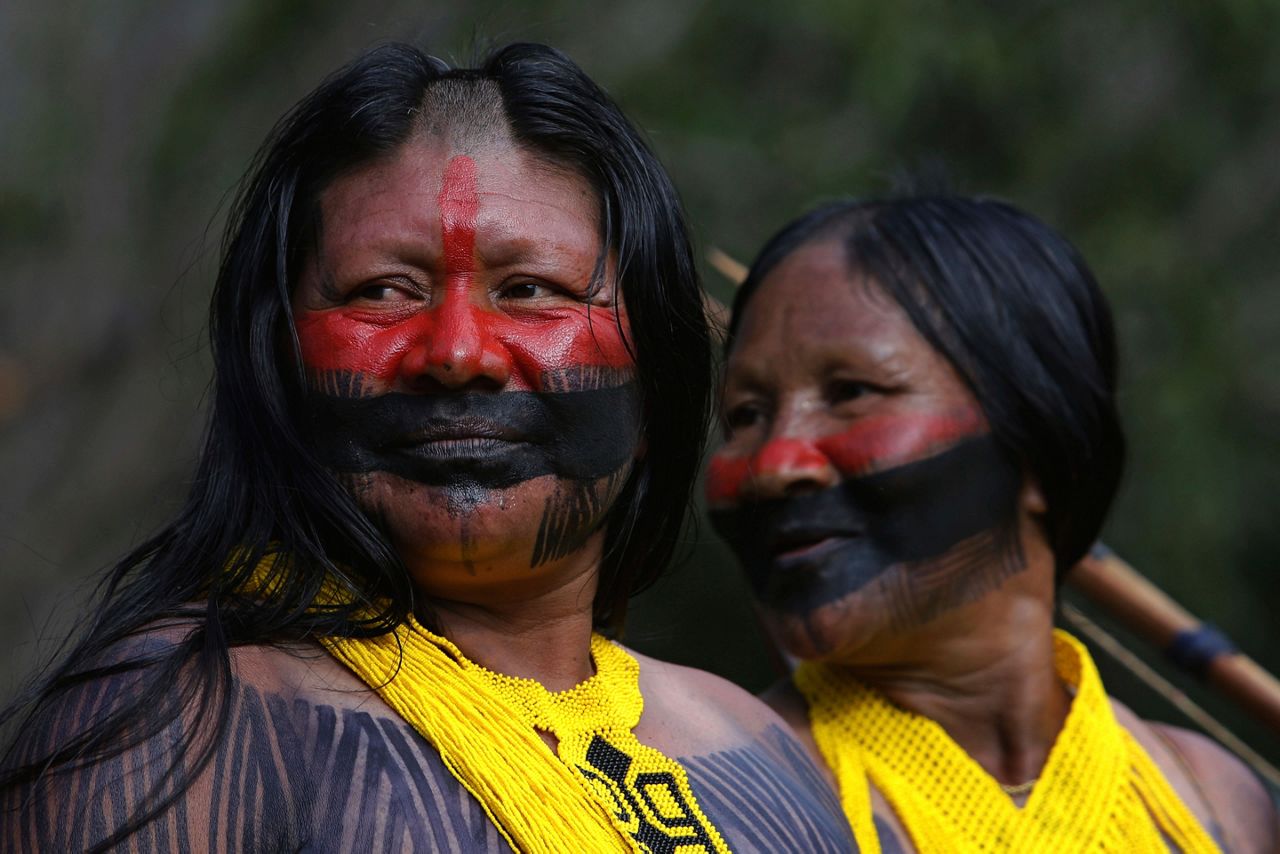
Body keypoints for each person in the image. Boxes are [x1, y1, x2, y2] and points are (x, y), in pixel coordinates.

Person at [0, 43, 855, 852]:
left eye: (530, 291)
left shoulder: (756, 744)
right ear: (276, 358)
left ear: (657, 366)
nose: (456, 352)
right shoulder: (182, 722)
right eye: (383, 291)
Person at [706, 195, 1277, 852]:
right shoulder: (721, 802)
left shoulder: (1215, 800)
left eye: (851, 392)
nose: (775, 463)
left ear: (1034, 450)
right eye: (746, 415)